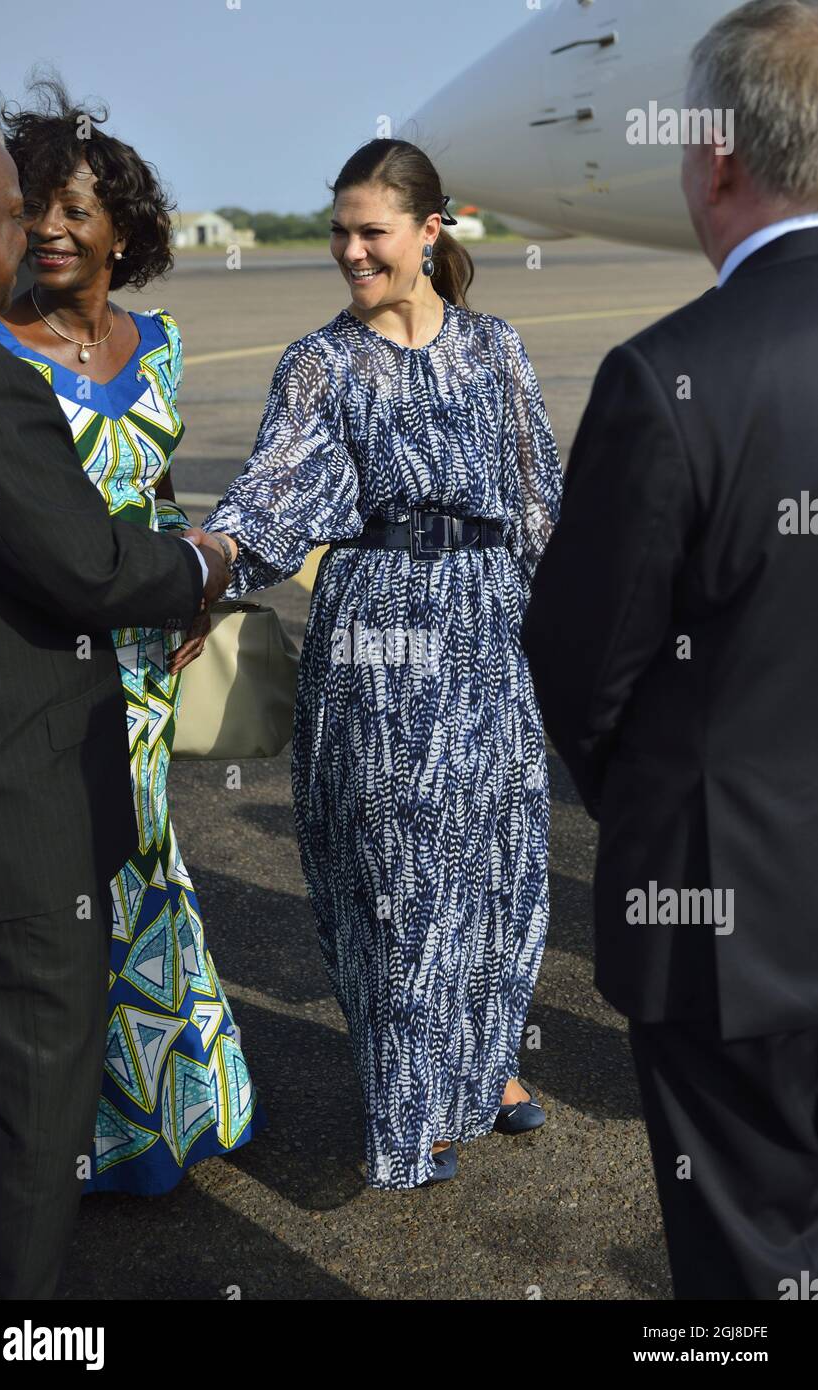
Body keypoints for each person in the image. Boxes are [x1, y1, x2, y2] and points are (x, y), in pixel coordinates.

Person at [184, 138, 562, 1188]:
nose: (349, 250)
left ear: (429, 231)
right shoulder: (320, 363)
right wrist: (198, 569)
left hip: (489, 623)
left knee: (492, 859)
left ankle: (486, 1068)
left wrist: (583, 633)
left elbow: (541, 504)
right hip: (377, 631)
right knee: (395, 872)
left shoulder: (496, 347)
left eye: (371, 232)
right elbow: (268, 497)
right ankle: (413, 1112)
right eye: (339, 231)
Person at [521, 0, 818, 1299]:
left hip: (729, 927)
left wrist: (663, 803)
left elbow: (582, 668)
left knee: (746, 1258)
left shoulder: (664, 378)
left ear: (713, 156)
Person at [0, 79, 264, 1195]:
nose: (53, 226)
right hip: (33, 657)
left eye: (77, 208)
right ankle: (61, 1132)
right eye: (36, 206)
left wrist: (190, 586)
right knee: (61, 886)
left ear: (124, 228)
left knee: (145, 863)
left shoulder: (160, 344)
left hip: (143, 658)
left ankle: (157, 1115)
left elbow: (148, 491)